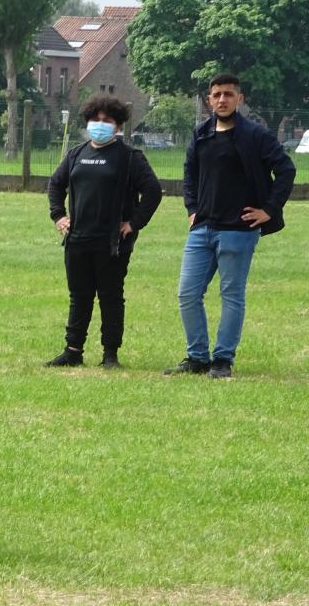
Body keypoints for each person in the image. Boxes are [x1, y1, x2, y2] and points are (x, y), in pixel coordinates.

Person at [165, 72, 296, 379]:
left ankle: (222, 359)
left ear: (240, 99)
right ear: (209, 100)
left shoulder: (255, 136)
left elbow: (286, 170)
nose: (222, 99)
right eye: (216, 95)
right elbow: (189, 174)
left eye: (228, 94)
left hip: (238, 230)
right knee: (187, 293)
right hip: (202, 229)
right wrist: (192, 209)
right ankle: (197, 357)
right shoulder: (201, 134)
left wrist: (268, 209)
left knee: (231, 295)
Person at [45, 94, 162, 368]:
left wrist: (133, 223)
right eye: (95, 120)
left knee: (110, 296)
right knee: (79, 296)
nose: (100, 124)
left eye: (107, 121)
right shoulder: (76, 154)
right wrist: (59, 216)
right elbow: (55, 184)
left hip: (112, 243)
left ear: (118, 126)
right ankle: (73, 351)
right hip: (77, 240)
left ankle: (110, 354)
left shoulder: (130, 157)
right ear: (87, 122)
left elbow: (153, 192)